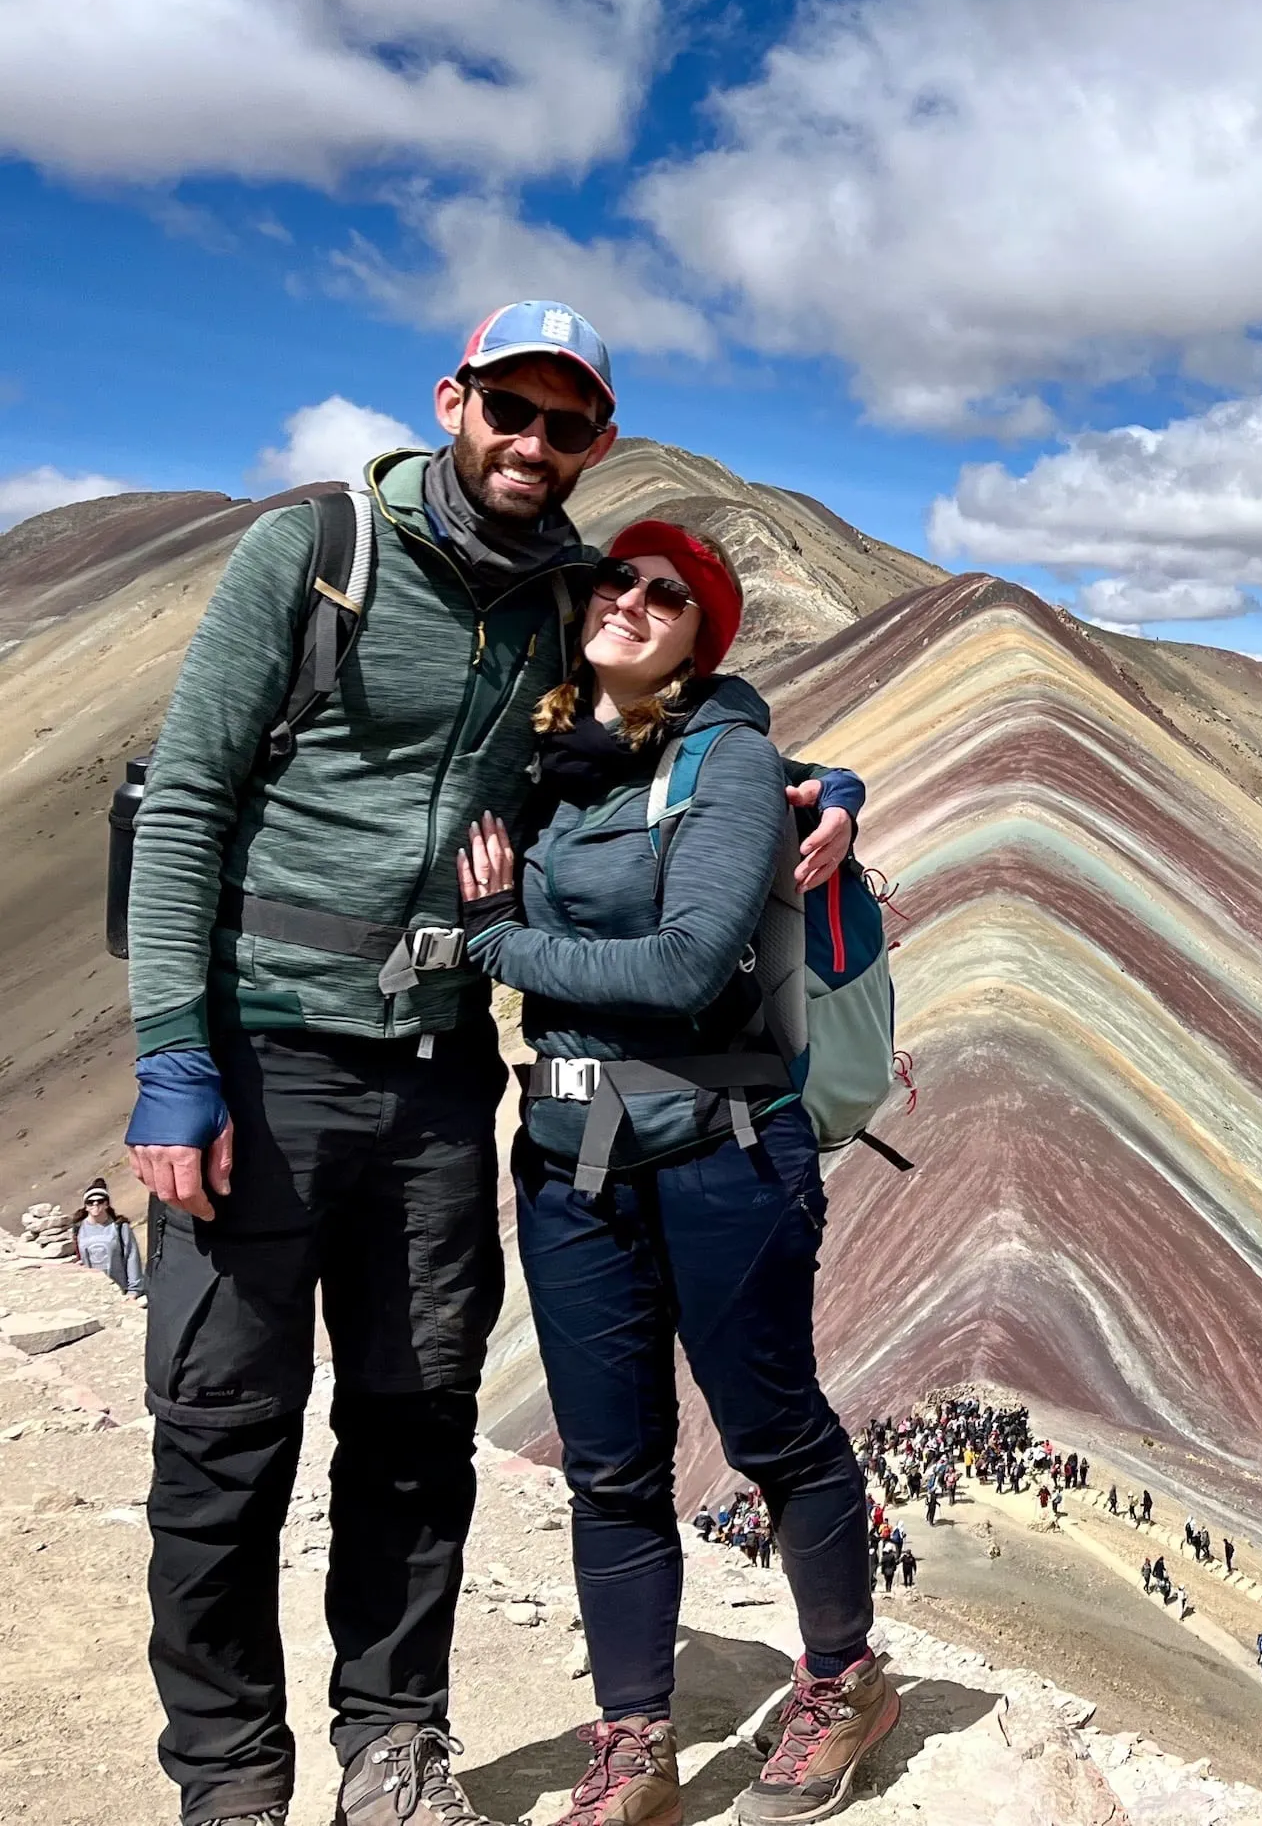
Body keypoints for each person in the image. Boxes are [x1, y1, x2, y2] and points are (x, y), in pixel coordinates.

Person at [124, 305, 859, 1826]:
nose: (532, 443)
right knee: (223, 1431)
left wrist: (822, 781)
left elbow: (676, 716)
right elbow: (189, 799)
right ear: (453, 400)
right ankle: (230, 1776)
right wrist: (168, 1056)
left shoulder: (560, 599)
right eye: (509, 409)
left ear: (593, 440)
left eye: (567, 424)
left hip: (443, 1073)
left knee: (412, 1425)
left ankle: (392, 1749)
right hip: (263, 1059)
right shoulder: (316, 555)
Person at [459, 523, 893, 1826]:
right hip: (568, 1157)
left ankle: (842, 1681)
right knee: (611, 1463)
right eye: (619, 582)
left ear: (701, 640)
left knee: (769, 1430)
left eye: (672, 598)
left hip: (720, 1148)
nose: (636, 603)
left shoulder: (731, 759)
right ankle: (634, 1747)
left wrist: (499, 944)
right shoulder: (532, 761)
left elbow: (687, 965)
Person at [76, 1177, 145, 1296]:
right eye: (90, 1202)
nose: (95, 1204)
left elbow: (131, 1256)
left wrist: (134, 1290)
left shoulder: (119, 1227)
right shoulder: (78, 1229)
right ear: (86, 1206)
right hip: (91, 1292)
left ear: (107, 1204)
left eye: (100, 1200)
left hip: (120, 1290)